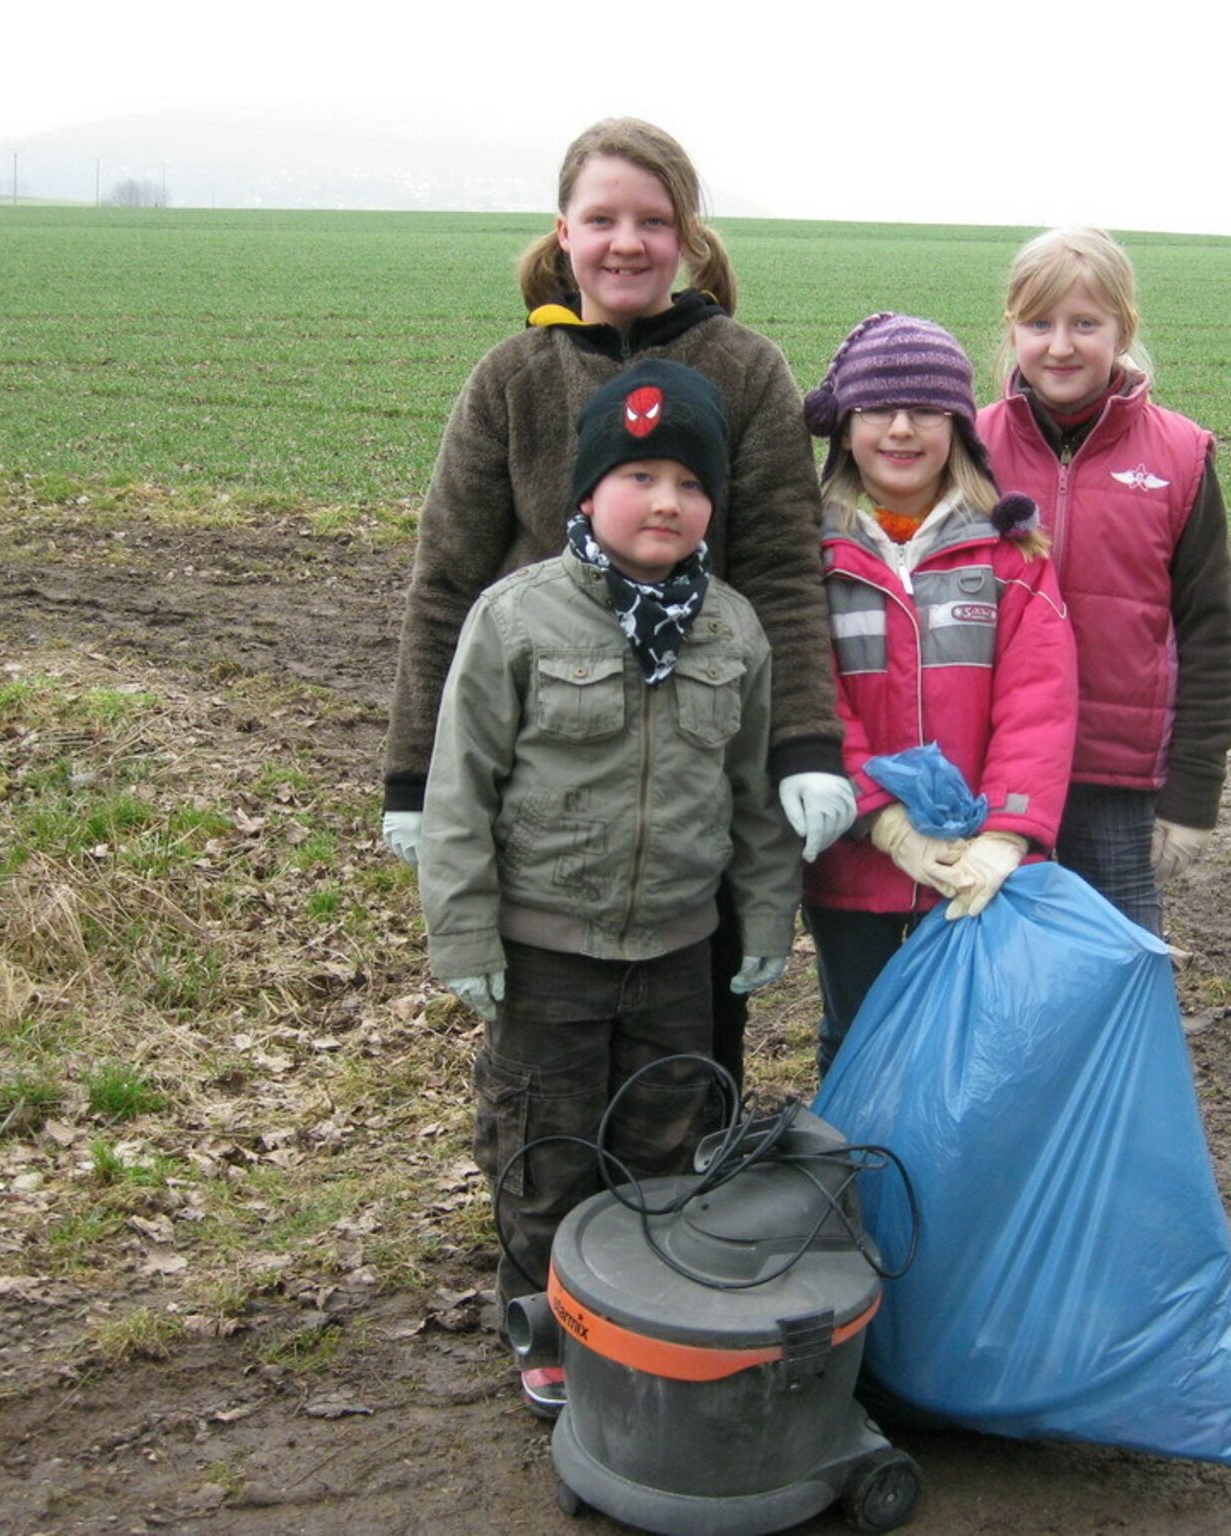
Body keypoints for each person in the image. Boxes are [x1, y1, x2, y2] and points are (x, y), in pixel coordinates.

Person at [380, 118, 851, 1086]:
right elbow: (447, 583)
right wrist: (413, 775)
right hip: (553, 792)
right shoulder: (512, 378)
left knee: (689, 1071)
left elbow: (780, 569)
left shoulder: (747, 369)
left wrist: (803, 745)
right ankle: (549, 1187)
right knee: (545, 1072)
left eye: (653, 220)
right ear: (564, 233)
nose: (626, 243)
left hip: (696, 792)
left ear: (688, 237)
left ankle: (686, 1177)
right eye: (601, 219)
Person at [417, 359, 802, 1419]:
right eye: (640, 477)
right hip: (548, 952)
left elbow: (754, 797)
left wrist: (765, 917)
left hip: (679, 951)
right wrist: (464, 936)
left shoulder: (733, 630)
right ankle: (543, 1321)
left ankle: (637, 1316)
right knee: (543, 1144)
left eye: (691, 482)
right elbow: (460, 790)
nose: (666, 500)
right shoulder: (515, 619)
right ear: (587, 493)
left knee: (660, 1140)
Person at [799, 313, 1077, 1070]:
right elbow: (810, 697)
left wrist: (1005, 835)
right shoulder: (808, 555)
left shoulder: (1010, 555)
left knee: (969, 1050)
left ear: (958, 427)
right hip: (852, 864)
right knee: (857, 1040)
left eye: (926, 410)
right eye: (877, 410)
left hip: (977, 870)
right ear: (843, 426)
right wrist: (884, 823)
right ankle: (850, 1150)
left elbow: (1038, 703)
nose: (901, 429)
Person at [977, 229, 1231, 938]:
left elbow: (1213, 633)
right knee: (1002, 963)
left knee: (1118, 962)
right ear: (1012, 329)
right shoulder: (970, 449)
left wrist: (1193, 794)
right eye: (1039, 323)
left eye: (1085, 324)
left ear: (1123, 331)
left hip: (1118, 781)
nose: (1060, 346)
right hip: (994, 770)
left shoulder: (1180, 457)